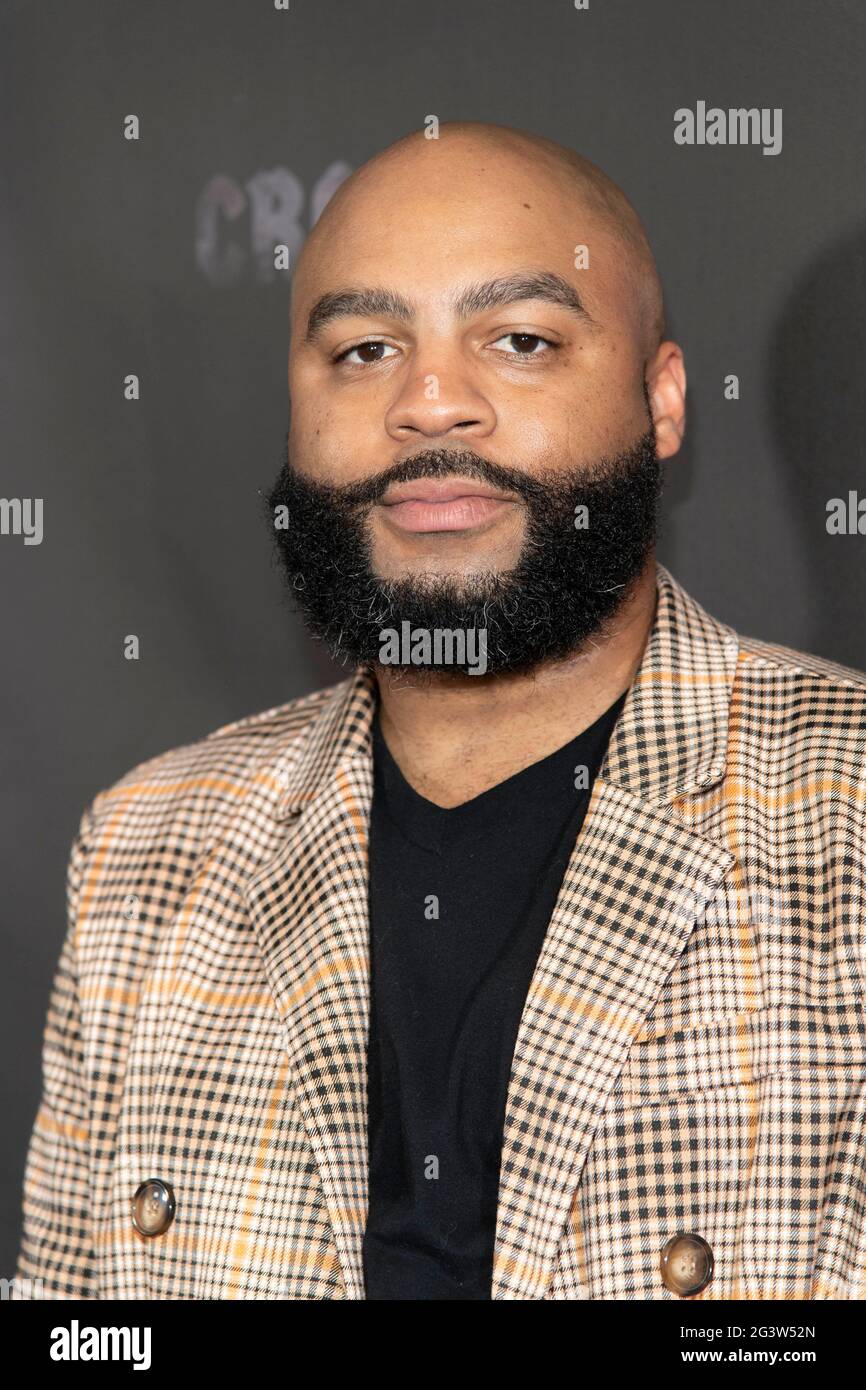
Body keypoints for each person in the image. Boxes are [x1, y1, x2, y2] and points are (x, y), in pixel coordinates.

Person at [16, 123, 866, 1301]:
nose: (428, 401)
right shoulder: (148, 850)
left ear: (661, 400)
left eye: (518, 340)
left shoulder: (848, 819)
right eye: (364, 350)